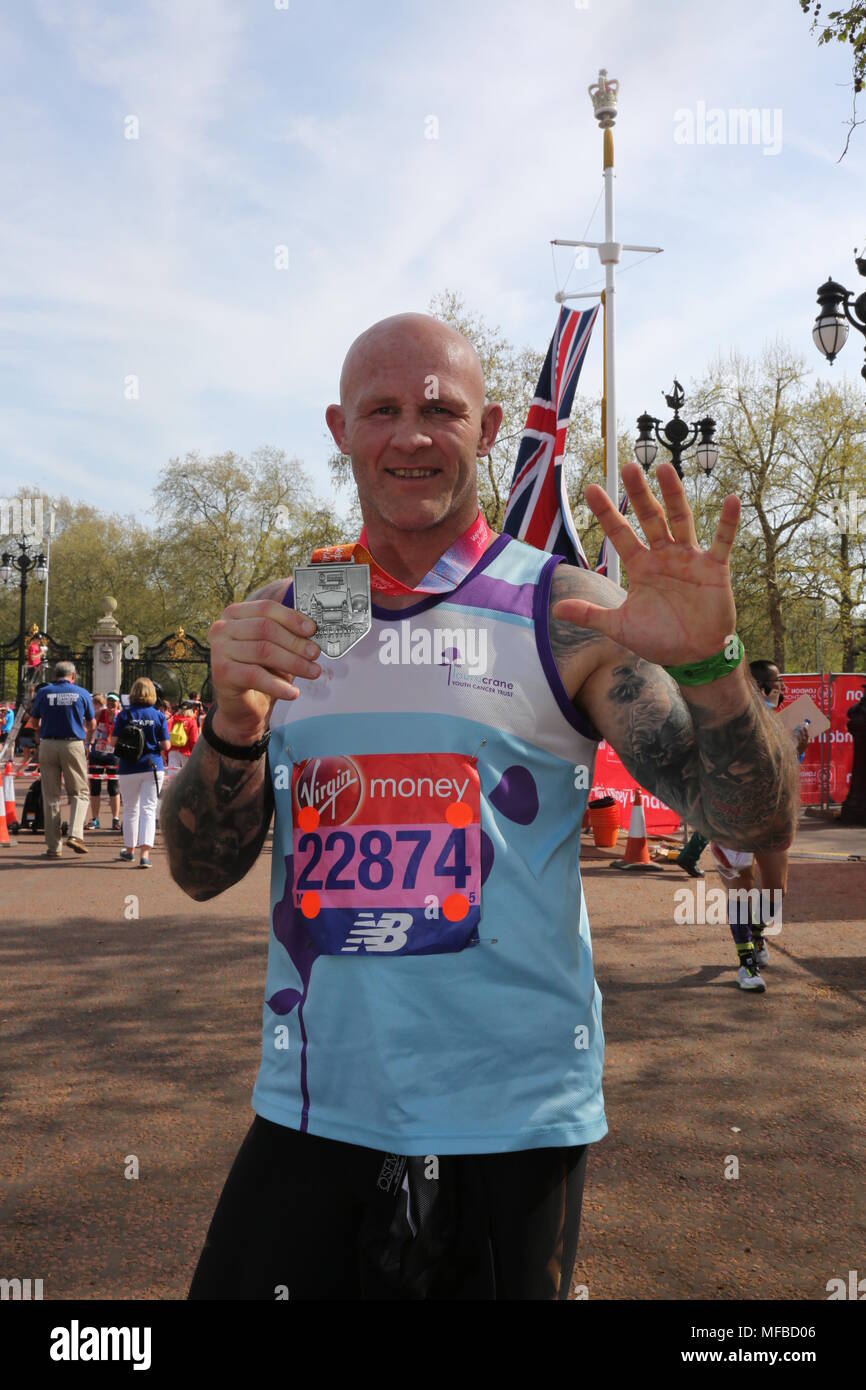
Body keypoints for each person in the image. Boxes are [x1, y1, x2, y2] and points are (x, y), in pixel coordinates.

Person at [161, 313, 799, 1301]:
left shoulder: (565, 611)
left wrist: (713, 669)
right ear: (339, 428)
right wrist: (231, 723)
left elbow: (746, 822)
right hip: (312, 1109)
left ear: (487, 426)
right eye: (382, 410)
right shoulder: (288, 615)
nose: (410, 435)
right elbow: (201, 872)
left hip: (506, 1125)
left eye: (439, 409)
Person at [710, 659, 809, 993]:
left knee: (776, 893)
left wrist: (799, 752)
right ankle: (746, 964)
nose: (781, 690)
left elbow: (785, 775)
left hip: (772, 820)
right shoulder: (727, 723)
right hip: (733, 820)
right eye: (776, 683)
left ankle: (756, 934)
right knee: (740, 890)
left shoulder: (782, 725)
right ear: (758, 688)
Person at [30, 660, 95, 857]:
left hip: (48, 744)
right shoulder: (82, 693)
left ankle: (53, 846)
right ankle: (75, 834)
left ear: (55, 676)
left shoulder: (44, 692)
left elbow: (34, 722)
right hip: (73, 743)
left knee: (51, 796)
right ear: (73, 676)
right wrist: (88, 740)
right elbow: (92, 723)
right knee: (80, 792)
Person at [110, 678, 170, 869]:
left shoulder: (125, 715)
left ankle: (129, 850)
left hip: (129, 766)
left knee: (130, 808)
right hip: (152, 766)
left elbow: (113, 742)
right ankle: (145, 854)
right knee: (148, 809)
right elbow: (166, 745)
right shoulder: (158, 715)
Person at [86, 693, 122, 831]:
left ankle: (115, 819)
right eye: (110, 701)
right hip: (98, 754)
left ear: (118, 703)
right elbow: (91, 728)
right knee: (95, 787)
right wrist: (88, 743)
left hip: (114, 755)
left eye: (114, 702)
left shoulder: (121, 716)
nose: (112, 704)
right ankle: (95, 819)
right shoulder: (100, 713)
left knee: (113, 788)